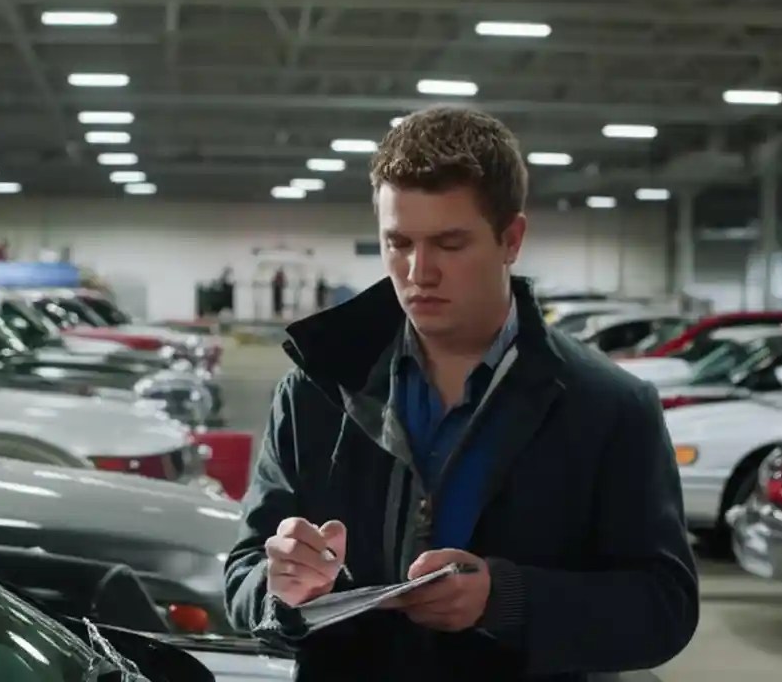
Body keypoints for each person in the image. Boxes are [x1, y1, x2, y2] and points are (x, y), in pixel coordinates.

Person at [223, 107, 698, 681]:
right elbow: (243, 575)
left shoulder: (609, 407)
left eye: (450, 244)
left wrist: (505, 599)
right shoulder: (313, 392)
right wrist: (278, 587)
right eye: (398, 242)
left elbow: (663, 607)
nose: (419, 272)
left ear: (511, 239)